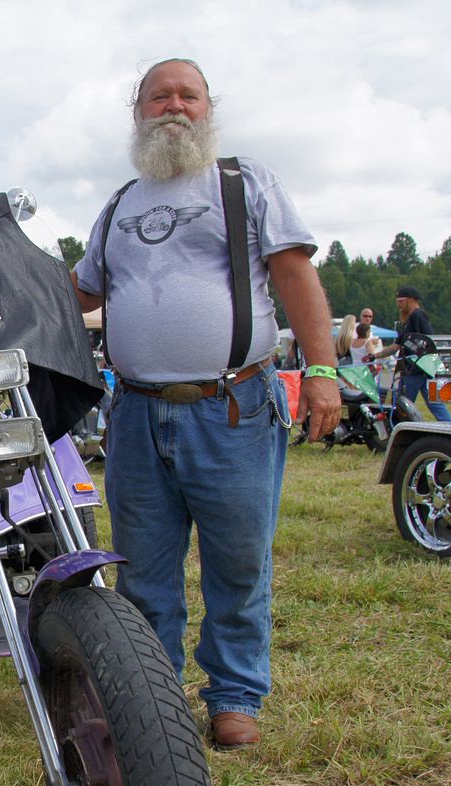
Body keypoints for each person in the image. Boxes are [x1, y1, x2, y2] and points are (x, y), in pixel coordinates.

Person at [70, 58, 338, 749]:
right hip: (135, 413)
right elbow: (81, 292)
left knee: (238, 563)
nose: (174, 106)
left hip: (233, 405)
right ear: (138, 112)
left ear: (208, 108)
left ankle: (235, 696)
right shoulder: (120, 203)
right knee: (141, 571)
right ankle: (154, 701)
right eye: (159, 95)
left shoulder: (245, 183)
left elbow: (294, 274)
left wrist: (322, 370)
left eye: (188, 95)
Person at [366, 285, 451, 421]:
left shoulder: (418, 316)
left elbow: (429, 339)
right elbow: (396, 346)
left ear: (410, 300)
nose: (398, 305)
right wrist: (374, 356)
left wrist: (417, 354)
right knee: (435, 405)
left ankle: (397, 428)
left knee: (402, 405)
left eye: (401, 301)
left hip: (415, 371)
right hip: (424, 371)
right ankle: (449, 425)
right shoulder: (408, 321)